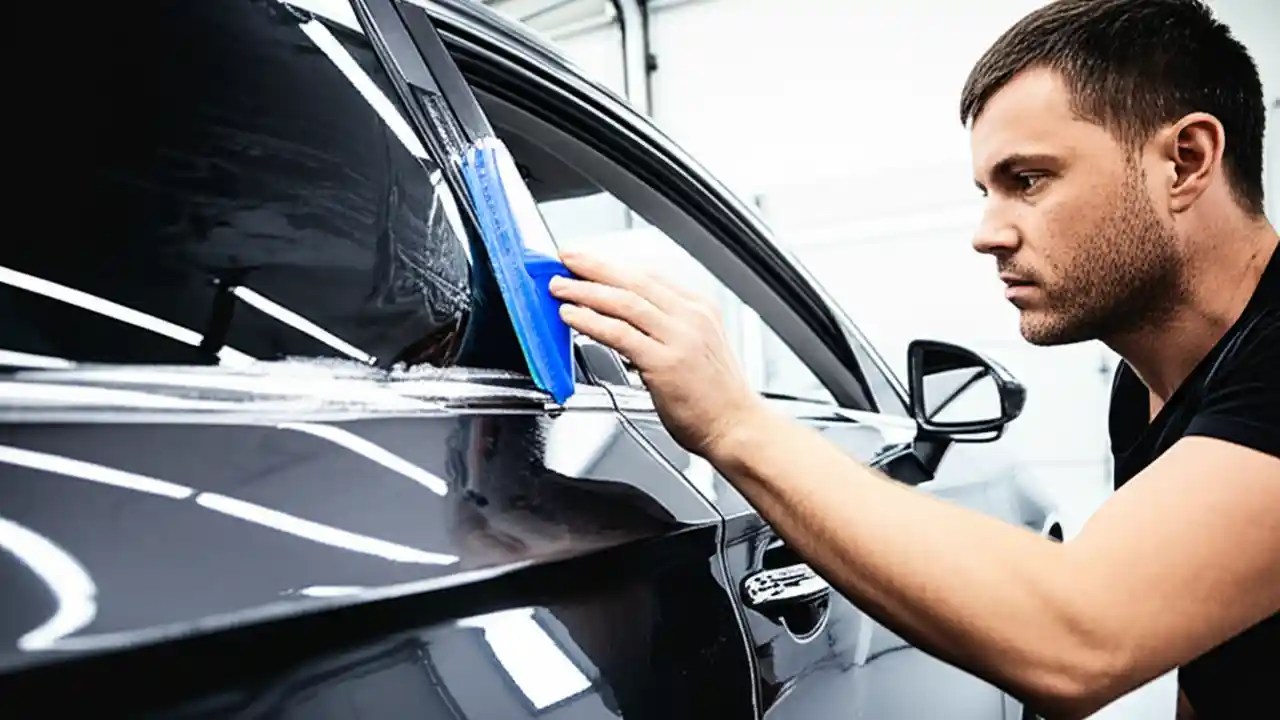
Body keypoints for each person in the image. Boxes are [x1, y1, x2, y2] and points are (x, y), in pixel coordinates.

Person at [547, 0, 1279, 717]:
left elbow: (1081, 636)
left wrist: (734, 423)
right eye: (986, 191)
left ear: (1186, 161)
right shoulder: (1150, 382)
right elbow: (1222, 667)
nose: (987, 233)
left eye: (1028, 181)